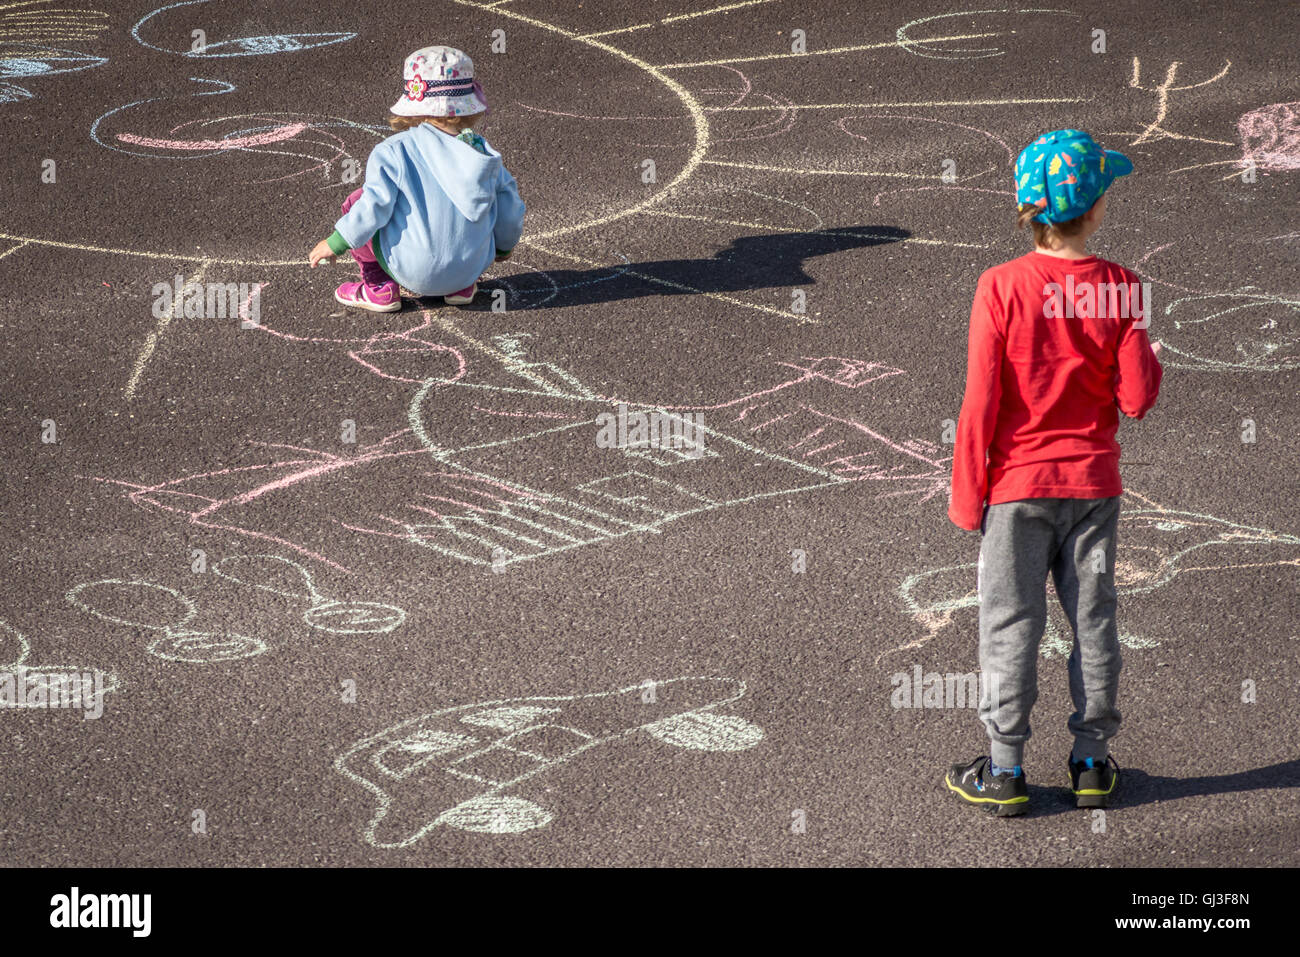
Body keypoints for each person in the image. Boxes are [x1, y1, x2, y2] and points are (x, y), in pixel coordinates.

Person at [944, 129, 1163, 816]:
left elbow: (981, 396)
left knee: (1011, 623)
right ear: (1095, 209)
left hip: (1016, 490)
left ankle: (1005, 769)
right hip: (1093, 488)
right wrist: (1138, 335)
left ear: (1028, 213)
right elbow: (1138, 398)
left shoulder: (1000, 286)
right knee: (1093, 617)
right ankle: (1092, 760)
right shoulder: (1122, 288)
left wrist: (966, 493)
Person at [309, 46, 525, 311]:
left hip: (413, 269)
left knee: (357, 201)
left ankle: (379, 287)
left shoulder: (394, 150)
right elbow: (509, 209)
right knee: (483, 201)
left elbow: (373, 207)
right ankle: (459, 287)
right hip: (470, 267)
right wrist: (503, 248)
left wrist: (337, 241)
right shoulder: (482, 154)